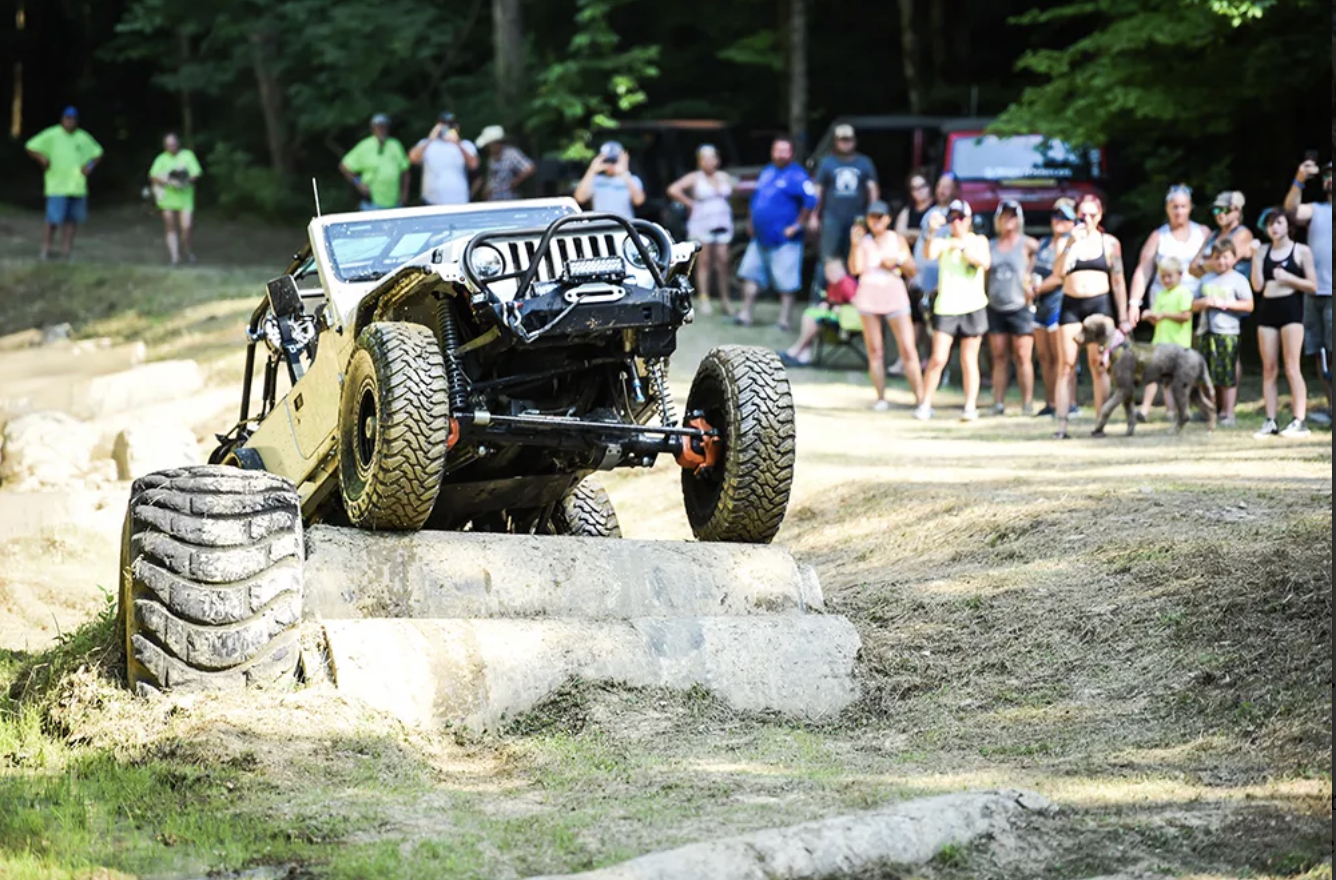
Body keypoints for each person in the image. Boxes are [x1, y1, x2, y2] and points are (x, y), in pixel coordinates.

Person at [1051, 195, 1130, 439]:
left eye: (1092, 215)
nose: (1087, 220)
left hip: (1099, 304)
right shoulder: (1066, 242)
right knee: (1066, 365)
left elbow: (1118, 281)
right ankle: (1062, 425)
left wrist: (1124, 316)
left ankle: (1100, 422)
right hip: (1072, 305)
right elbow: (1058, 273)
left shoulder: (1109, 243)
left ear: (1100, 215)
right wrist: (1069, 245)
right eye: (1082, 215)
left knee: (1099, 365)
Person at [917, 200, 991, 422]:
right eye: (952, 218)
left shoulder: (978, 240)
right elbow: (929, 253)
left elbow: (984, 262)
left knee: (970, 360)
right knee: (938, 358)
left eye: (960, 218)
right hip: (947, 306)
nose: (956, 222)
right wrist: (931, 232)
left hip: (973, 306)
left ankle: (970, 406)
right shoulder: (943, 242)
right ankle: (925, 404)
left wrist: (966, 250)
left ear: (968, 220)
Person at [736, 136, 817, 331]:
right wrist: (751, 221)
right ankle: (745, 314)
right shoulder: (767, 171)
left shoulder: (798, 176)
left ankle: (784, 321)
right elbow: (756, 200)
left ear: (792, 154)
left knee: (786, 282)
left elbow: (811, 200)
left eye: (784, 151)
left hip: (784, 239)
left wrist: (797, 225)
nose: (780, 154)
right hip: (760, 237)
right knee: (749, 274)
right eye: (777, 150)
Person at [848, 202, 922, 412]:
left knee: (908, 348)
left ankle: (920, 398)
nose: (876, 221)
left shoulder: (897, 240)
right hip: (869, 296)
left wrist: (896, 261)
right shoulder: (864, 242)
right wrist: (854, 245)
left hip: (895, 295)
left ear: (888, 219)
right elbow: (855, 268)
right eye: (872, 217)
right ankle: (881, 398)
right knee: (875, 350)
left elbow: (912, 269)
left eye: (880, 217)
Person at [1251, 208, 1317, 438]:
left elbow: (1312, 285)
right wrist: (1255, 259)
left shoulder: (1301, 251)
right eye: (1270, 224)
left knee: (1292, 366)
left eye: (1278, 222)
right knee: (1269, 368)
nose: (1274, 228)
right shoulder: (1262, 252)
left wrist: (1289, 278)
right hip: (1267, 310)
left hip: (1291, 310)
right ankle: (1271, 420)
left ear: (1288, 225)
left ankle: (1299, 420)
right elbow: (1257, 286)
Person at [1284, 157, 1332, 427]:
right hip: (1314, 292)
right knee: (1320, 352)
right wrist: (1300, 178)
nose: (1329, 179)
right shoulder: (1317, 209)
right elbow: (1290, 211)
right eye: (1326, 175)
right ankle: (1330, 408)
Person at [24, 106, 104, 261]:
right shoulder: (52, 134)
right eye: (67, 118)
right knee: (53, 219)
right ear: (62, 119)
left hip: (77, 186)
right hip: (57, 185)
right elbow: (30, 146)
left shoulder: (82, 137)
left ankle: (66, 251)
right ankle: (45, 249)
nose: (70, 122)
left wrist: (89, 167)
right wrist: (42, 159)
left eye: (73, 119)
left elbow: (98, 153)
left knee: (71, 221)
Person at [667, 144, 736, 316]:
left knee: (723, 261)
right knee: (704, 261)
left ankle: (725, 298)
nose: (709, 162)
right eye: (705, 159)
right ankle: (704, 298)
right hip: (702, 222)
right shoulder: (695, 177)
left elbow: (737, 189)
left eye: (712, 158)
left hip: (722, 222)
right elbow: (673, 189)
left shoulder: (724, 177)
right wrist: (690, 203)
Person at [986, 200, 1039, 415]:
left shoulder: (1027, 244)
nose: (1008, 220)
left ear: (1019, 219)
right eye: (1004, 216)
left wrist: (1032, 277)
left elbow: (1045, 252)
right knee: (999, 355)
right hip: (996, 305)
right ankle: (998, 402)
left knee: (1023, 356)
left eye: (1012, 216)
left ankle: (1027, 402)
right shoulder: (991, 245)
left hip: (1020, 305)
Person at [1129, 184, 1210, 325]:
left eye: (1183, 206)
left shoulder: (1203, 232)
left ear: (1190, 207)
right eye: (1175, 207)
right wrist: (1134, 303)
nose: (1179, 212)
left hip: (1195, 303)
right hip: (1165, 306)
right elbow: (1143, 270)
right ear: (1167, 208)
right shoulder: (1158, 236)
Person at [1193, 240, 1254, 425]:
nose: (1221, 261)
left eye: (1226, 257)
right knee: (1205, 373)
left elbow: (1249, 305)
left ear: (1234, 258)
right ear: (1211, 259)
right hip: (1205, 331)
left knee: (1227, 373)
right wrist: (1205, 302)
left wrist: (1225, 304)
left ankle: (1228, 413)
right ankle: (1209, 410)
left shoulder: (1238, 279)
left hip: (1227, 332)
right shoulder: (1205, 279)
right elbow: (1193, 305)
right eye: (1217, 257)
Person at [1032, 198, 1077, 416]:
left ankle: (1070, 402)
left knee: (1063, 357)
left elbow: (1059, 277)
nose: (1058, 221)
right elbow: (1034, 269)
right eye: (1055, 215)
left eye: (1064, 217)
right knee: (1044, 356)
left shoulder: (1070, 244)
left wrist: (1036, 289)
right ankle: (1051, 401)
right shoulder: (1043, 243)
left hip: (1058, 303)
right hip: (1040, 304)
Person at [810, 124, 879, 266]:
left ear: (854, 141)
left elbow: (872, 189)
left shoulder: (864, 162)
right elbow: (818, 190)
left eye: (848, 140)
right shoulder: (827, 162)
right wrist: (814, 216)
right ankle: (822, 288)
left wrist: (873, 214)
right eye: (842, 140)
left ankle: (853, 288)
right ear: (836, 142)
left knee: (856, 255)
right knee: (828, 258)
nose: (845, 143)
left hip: (858, 217)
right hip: (831, 218)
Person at [1136, 257, 1195, 421]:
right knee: (1153, 377)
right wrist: (1149, 316)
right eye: (1163, 277)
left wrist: (1165, 315)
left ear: (1180, 275)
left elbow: (1186, 315)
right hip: (1159, 343)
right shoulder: (1160, 294)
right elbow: (1157, 318)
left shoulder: (1184, 293)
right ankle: (1145, 410)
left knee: (1174, 381)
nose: (1166, 280)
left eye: (1170, 276)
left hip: (1178, 344)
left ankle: (1173, 411)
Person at [779, 259, 861, 366]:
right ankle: (803, 355)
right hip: (835, 318)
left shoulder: (846, 283)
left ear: (843, 271)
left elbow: (858, 303)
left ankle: (797, 350)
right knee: (810, 314)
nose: (831, 274)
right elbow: (831, 301)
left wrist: (841, 308)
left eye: (834, 271)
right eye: (828, 271)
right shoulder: (832, 285)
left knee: (812, 317)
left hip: (849, 320)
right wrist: (827, 305)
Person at [147, 133, 203, 267]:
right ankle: (175, 257)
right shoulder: (161, 159)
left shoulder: (187, 155)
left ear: (178, 143)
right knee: (170, 227)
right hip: (167, 198)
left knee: (186, 227)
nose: (171, 147)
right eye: (168, 145)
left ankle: (187, 250)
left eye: (173, 144)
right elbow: (152, 176)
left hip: (185, 198)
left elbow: (196, 173)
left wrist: (184, 181)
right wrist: (166, 182)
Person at [340, 113, 410, 211]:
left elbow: (405, 170)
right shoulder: (365, 146)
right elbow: (344, 166)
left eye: (384, 126)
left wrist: (404, 193)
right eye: (379, 127)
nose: (382, 130)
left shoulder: (395, 145)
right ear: (373, 128)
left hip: (394, 202)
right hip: (371, 203)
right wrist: (358, 182)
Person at [410, 112, 478, 206]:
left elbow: (474, 165)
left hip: (459, 202)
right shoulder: (427, 144)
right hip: (432, 202)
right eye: (443, 125)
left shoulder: (465, 145)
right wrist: (430, 139)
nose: (446, 128)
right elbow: (413, 159)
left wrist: (458, 144)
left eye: (450, 125)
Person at [1190, 191, 1255, 281]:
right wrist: (1209, 264)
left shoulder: (1243, 234)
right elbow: (1192, 268)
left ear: (1238, 211)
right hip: (1210, 289)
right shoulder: (1213, 235)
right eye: (1216, 210)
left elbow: (1226, 264)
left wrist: (1202, 264)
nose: (1220, 214)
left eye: (1226, 210)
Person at [573, 140, 645, 220]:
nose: (611, 164)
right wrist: (592, 170)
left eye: (614, 160)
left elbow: (639, 200)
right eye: (608, 160)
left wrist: (624, 173)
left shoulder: (632, 179)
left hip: (625, 226)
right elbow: (580, 198)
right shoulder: (595, 180)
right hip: (601, 227)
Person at [474, 125, 535, 201]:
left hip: (509, 200)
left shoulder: (511, 154)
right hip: (493, 201)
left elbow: (530, 167)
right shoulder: (491, 158)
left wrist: (515, 182)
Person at [894, 172, 934, 251]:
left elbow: (934, 236)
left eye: (922, 186)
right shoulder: (907, 210)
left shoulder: (936, 208)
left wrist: (910, 233)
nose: (919, 191)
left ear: (929, 186)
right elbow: (899, 235)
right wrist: (920, 234)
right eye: (914, 188)